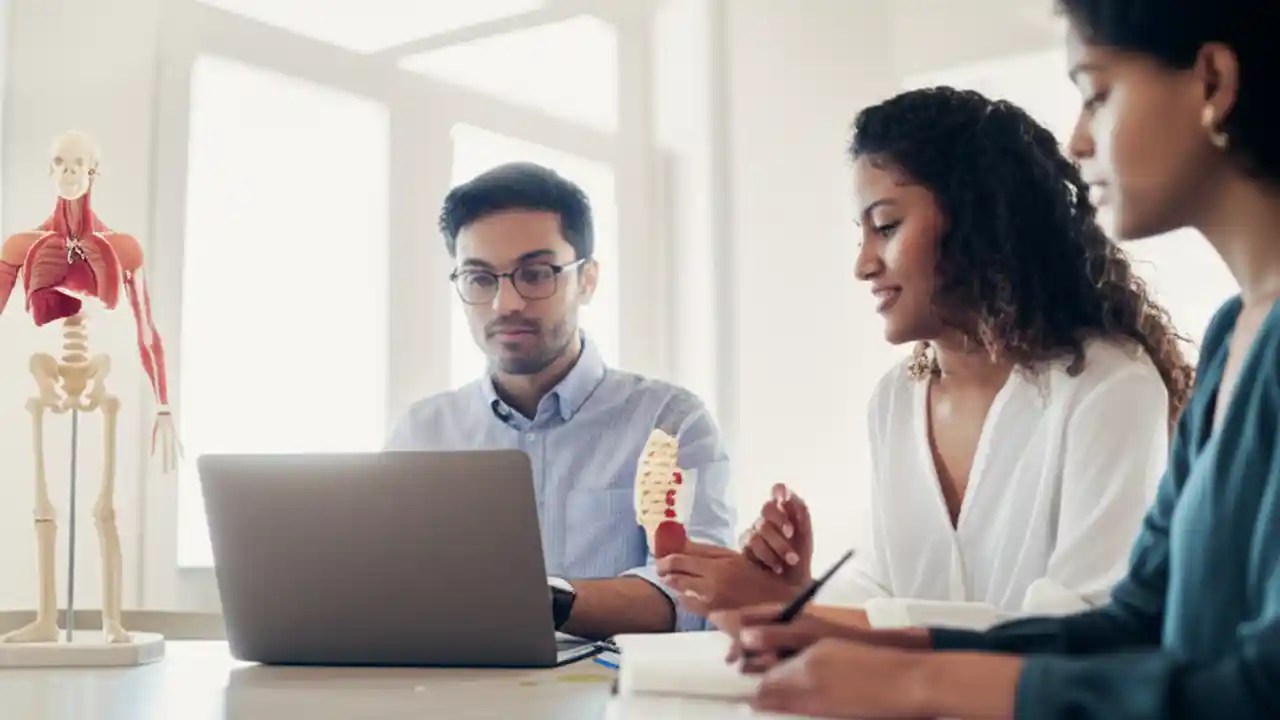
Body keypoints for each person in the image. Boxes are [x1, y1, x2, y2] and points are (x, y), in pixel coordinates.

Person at [714, 1, 1280, 717]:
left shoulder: (1124, 377)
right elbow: (1135, 621)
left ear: (1212, 81)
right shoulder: (1237, 333)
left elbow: (1261, 685)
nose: (1077, 140)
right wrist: (841, 635)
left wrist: (919, 684)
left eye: (1097, 92)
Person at [656, 86, 1193, 630]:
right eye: (862, 234)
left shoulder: (1108, 387)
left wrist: (803, 616)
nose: (864, 264)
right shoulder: (896, 400)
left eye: (886, 226)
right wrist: (794, 593)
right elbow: (887, 589)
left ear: (978, 221)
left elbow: (1079, 629)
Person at [386, 162, 736, 640]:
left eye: (535, 274)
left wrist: (534, 598)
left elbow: (696, 597)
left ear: (587, 279)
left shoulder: (669, 421)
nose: (505, 304)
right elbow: (387, 587)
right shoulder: (421, 433)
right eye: (480, 278)